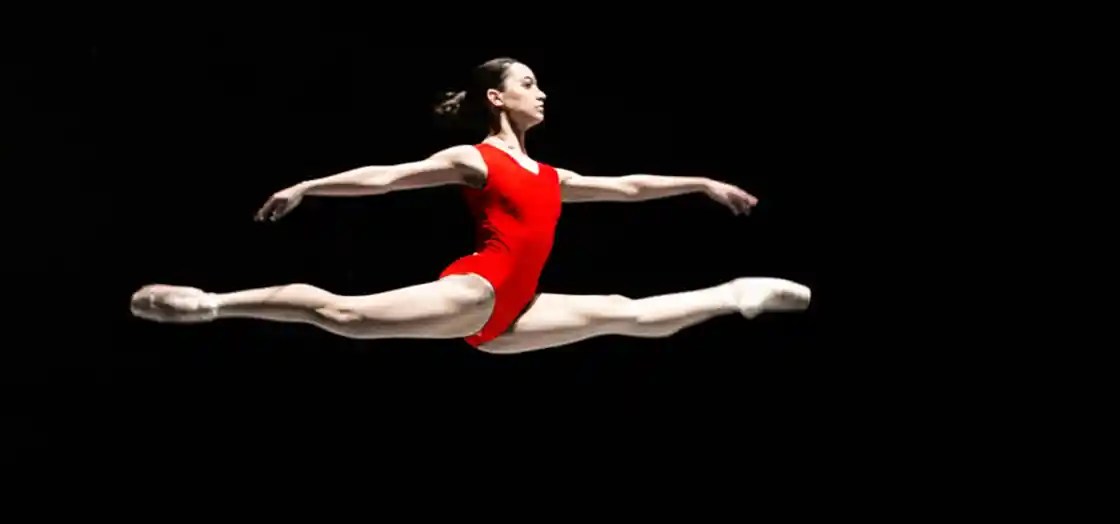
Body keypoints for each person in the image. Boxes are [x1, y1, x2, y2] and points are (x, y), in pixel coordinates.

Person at [130, 58, 810, 354]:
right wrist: (309, 186)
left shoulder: (546, 171)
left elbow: (628, 186)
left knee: (629, 315)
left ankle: (738, 293)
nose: (542, 94)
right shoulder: (473, 159)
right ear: (497, 98)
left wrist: (699, 183)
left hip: (514, 312)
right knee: (344, 315)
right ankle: (211, 302)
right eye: (529, 84)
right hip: (481, 290)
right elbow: (388, 178)